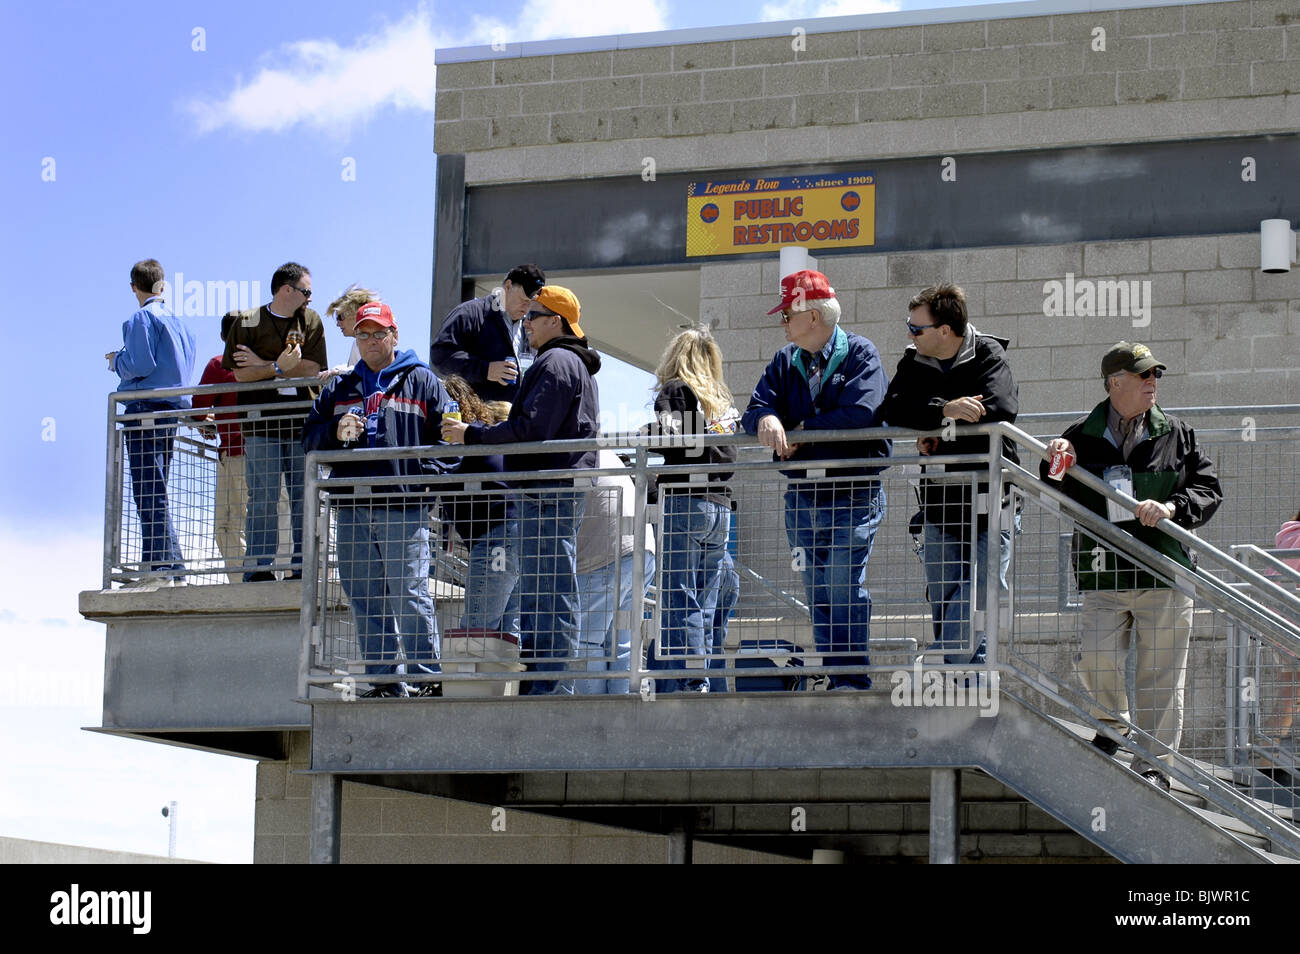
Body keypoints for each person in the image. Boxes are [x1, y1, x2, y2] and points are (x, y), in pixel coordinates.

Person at [1043, 341, 1222, 791]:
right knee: (1098, 657)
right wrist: (1053, 462)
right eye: (1144, 375)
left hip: (1164, 570)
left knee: (1160, 677)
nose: (1153, 383)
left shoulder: (1177, 432)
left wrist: (1172, 507)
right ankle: (1115, 726)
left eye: (1156, 375)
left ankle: (1155, 766)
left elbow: (1209, 488)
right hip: (1104, 569)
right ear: (1114, 382)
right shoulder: (1081, 433)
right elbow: (1054, 492)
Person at [442, 285, 600, 696]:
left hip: (548, 492)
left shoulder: (556, 361)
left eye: (533, 315)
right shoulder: (565, 361)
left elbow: (528, 431)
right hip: (551, 491)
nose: (524, 322)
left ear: (555, 321)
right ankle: (545, 683)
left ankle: (549, 686)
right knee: (546, 590)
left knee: (549, 591)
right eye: (525, 315)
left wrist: (470, 434)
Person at [742, 269, 891, 690]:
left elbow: (860, 414)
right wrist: (768, 418)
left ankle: (852, 678)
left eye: (786, 315)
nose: (783, 324)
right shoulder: (784, 360)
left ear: (812, 316)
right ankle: (837, 675)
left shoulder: (861, 352)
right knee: (820, 591)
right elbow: (753, 409)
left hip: (853, 492)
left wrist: (801, 431)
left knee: (843, 585)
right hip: (804, 496)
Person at [302, 302, 456, 697]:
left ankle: (426, 680)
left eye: (378, 333)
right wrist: (336, 430)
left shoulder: (422, 380)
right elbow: (307, 439)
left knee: (410, 593)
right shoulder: (340, 386)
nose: (371, 341)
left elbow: (452, 442)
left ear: (395, 335)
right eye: (363, 334)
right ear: (356, 339)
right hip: (352, 507)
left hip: (403, 507)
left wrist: (422, 482)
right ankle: (385, 682)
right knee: (364, 597)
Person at [880, 284, 1019, 666]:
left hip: (992, 496)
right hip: (941, 499)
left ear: (945, 330)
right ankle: (958, 680)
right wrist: (946, 409)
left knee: (983, 590)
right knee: (944, 596)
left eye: (917, 327)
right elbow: (893, 408)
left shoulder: (988, 352)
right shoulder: (913, 361)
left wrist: (935, 420)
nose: (910, 334)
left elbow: (1002, 407)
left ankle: (941, 662)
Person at [644, 328, 739, 693]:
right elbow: (728, 460)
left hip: (684, 502)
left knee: (679, 596)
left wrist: (649, 434)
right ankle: (705, 681)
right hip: (720, 507)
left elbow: (673, 436)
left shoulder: (675, 390)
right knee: (706, 600)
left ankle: (691, 682)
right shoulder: (720, 400)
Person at [222, 262, 327, 582]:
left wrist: (265, 364)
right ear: (287, 290)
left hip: (301, 422)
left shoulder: (311, 320)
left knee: (304, 495)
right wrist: (278, 369)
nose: (310, 297)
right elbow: (241, 373)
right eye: (306, 291)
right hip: (261, 424)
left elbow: (312, 368)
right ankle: (259, 568)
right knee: (263, 496)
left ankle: (303, 567)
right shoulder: (247, 321)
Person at [109, 258, 197, 587]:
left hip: (144, 408)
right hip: (170, 410)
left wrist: (117, 360)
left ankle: (162, 569)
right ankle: (164, 567)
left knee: (148, 491)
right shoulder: (182, 325)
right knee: (156, 490)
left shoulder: (141, 318)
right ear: (162, 285)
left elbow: (140, 363)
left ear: (135, 287)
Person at [440, 376, 520, 640]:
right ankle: (503, 683)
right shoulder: (479, 433)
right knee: (507, 633)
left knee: (477, 629)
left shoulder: (460, 438)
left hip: (497, 536)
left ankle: (470, 682)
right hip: (514, 534)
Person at [574, 451, 656, 695]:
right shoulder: (603, 452)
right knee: (622, 643)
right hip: (642, 549)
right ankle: (621, 717)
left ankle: (595, 719)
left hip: (605, 554)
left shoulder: (570, 449)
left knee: (585, 642)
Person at [431, 264, 545, 403]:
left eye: (531, 303)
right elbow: (440, 354)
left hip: (514, 420)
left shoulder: (530, 326)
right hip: (476, 418)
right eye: (523, 300)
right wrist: (485, 370)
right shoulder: (470, 313)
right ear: (508, 286)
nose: (527, 308)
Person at [193, 312, 247, 583]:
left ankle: (241, 583)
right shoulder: (263, 364)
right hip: (267, 450)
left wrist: (204, 421)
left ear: (224, 337)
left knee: (228, 525)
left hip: (235, 454)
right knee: (264, 519)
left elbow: (197, 407)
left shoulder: (219, 363)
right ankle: (269, 578)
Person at [319, 284, 379, 380]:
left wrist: (338, 371)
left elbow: (368, 369)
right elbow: (357, 368)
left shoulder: (373, 340)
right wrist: (336, 370)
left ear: (355, 314)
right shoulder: (359, 341)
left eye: (340, 317)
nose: (338, 324)